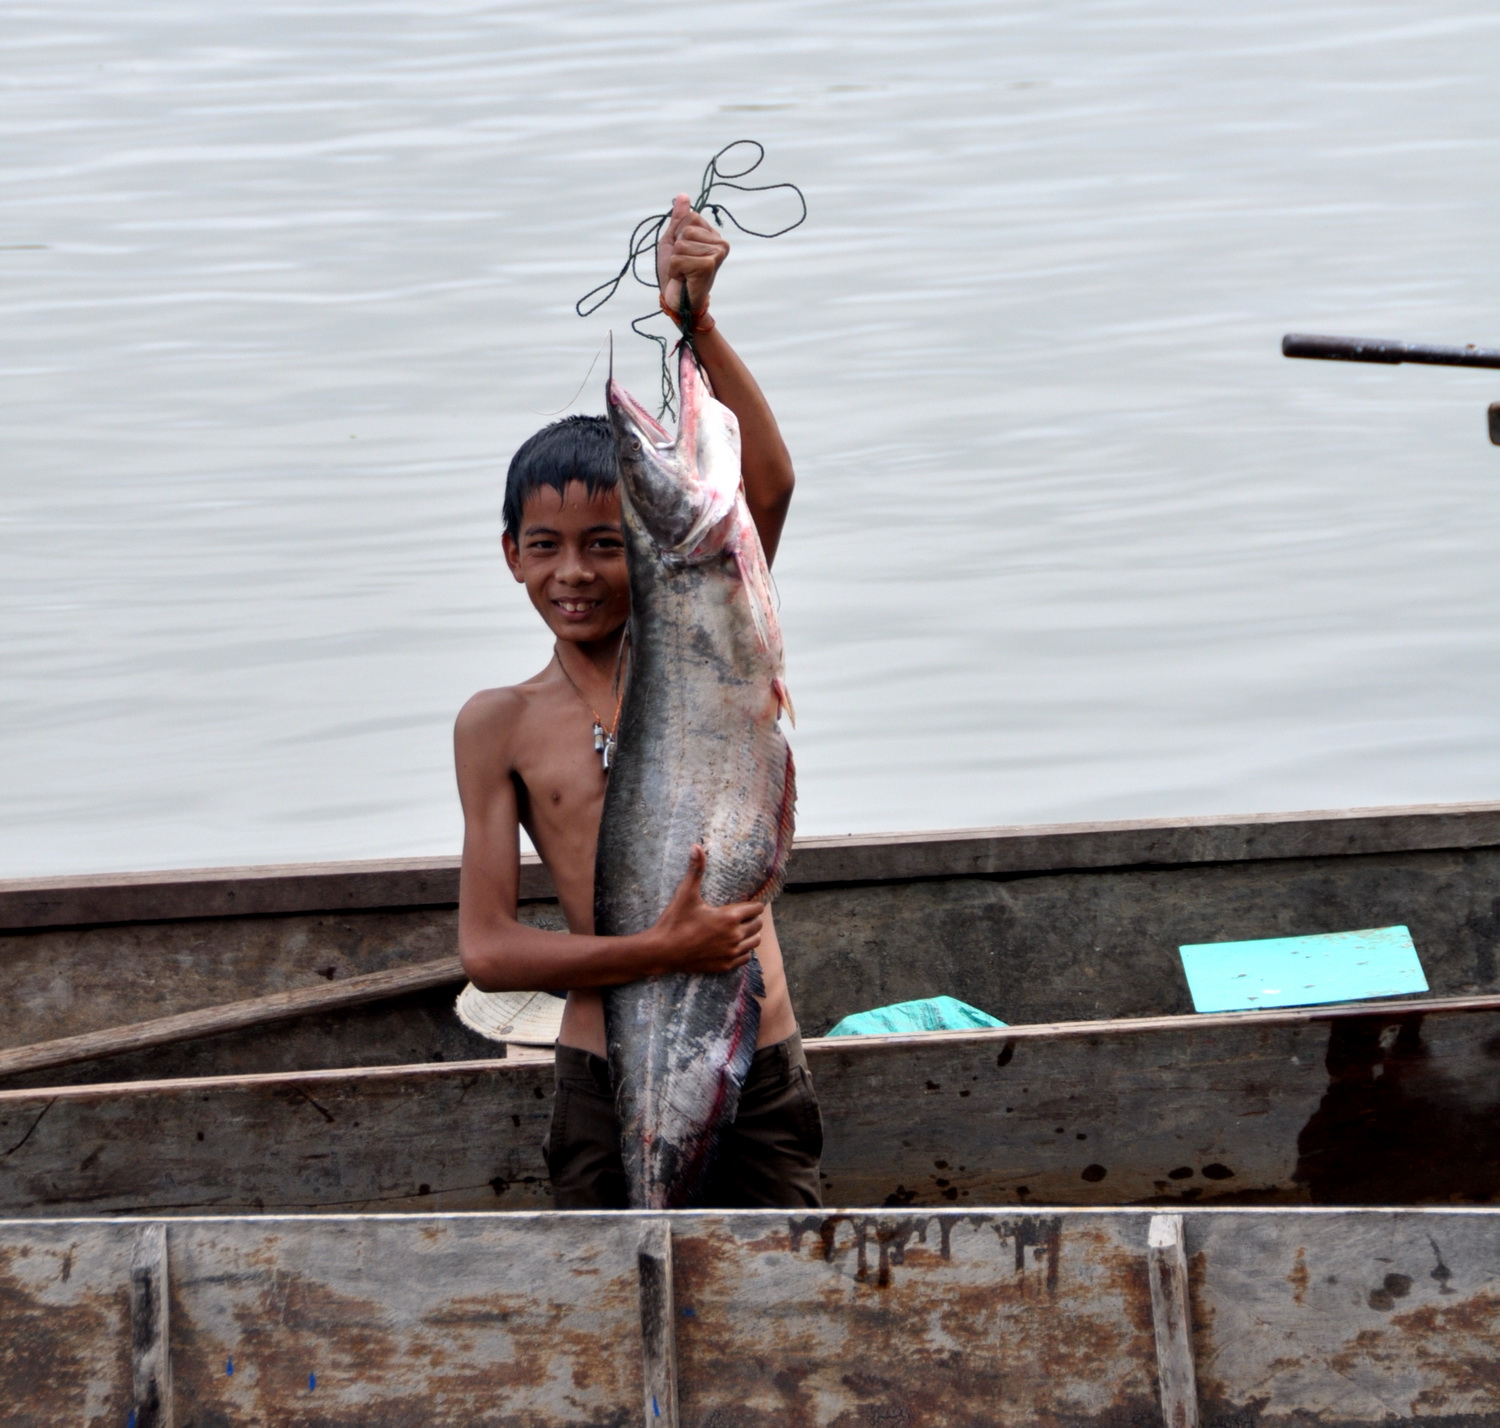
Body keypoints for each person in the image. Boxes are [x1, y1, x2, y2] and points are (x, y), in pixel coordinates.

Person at [453, 194, 822, 1209]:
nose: (574, 572)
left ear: (651, 549)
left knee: (778, 1293)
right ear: (511, 555)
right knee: (615, 1295)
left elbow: (770, 485)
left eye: (607, 545)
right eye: (546, 547)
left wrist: (695, 322)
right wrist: (659, 952)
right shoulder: (498, 724)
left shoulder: (709, 632)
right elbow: (487, 950)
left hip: (761, 1056)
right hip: (603, 1070)